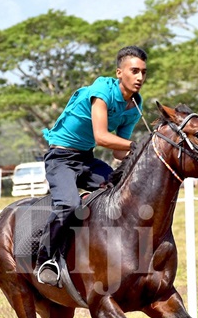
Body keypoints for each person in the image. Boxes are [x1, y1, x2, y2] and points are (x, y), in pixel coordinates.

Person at [35, 45, 148, 286]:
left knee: (120, 193)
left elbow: (119, 151)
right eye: (134, 71)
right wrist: (139, 145)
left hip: (86, 158)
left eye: (143, 73)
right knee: (68, 204)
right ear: (119, 72)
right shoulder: (102, 91)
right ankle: (45, 259)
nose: (139, 78)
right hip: (60, 158)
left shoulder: (135, 105)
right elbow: (102, 137)